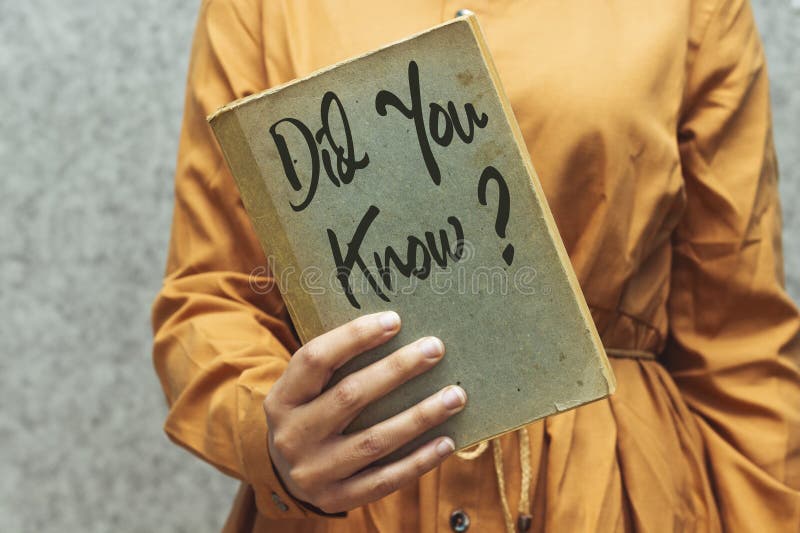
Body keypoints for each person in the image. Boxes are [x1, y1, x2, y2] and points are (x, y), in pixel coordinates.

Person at [151, 1, 800, 531]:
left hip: (612, 499)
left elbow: (738, 335)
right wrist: (270, 434)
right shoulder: (263, 7)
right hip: (357, 499)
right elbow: (210, 296)